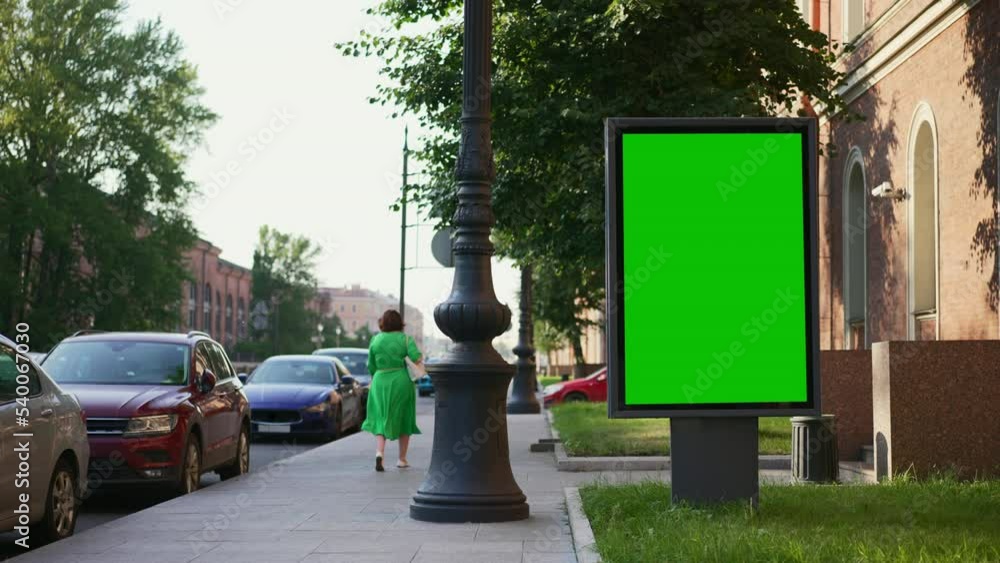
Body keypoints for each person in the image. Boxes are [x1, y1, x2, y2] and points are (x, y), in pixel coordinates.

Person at [361, 309, 422, 471]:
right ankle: (402, 459)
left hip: (380, 380)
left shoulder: (376, 340)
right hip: (401, 380)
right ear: (399, 323)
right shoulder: (405, 339)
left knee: (381, 417)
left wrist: (378, 373)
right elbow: (417, 358)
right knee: (404, 416)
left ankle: (379, 453)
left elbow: (371, 365)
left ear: (383, 323)